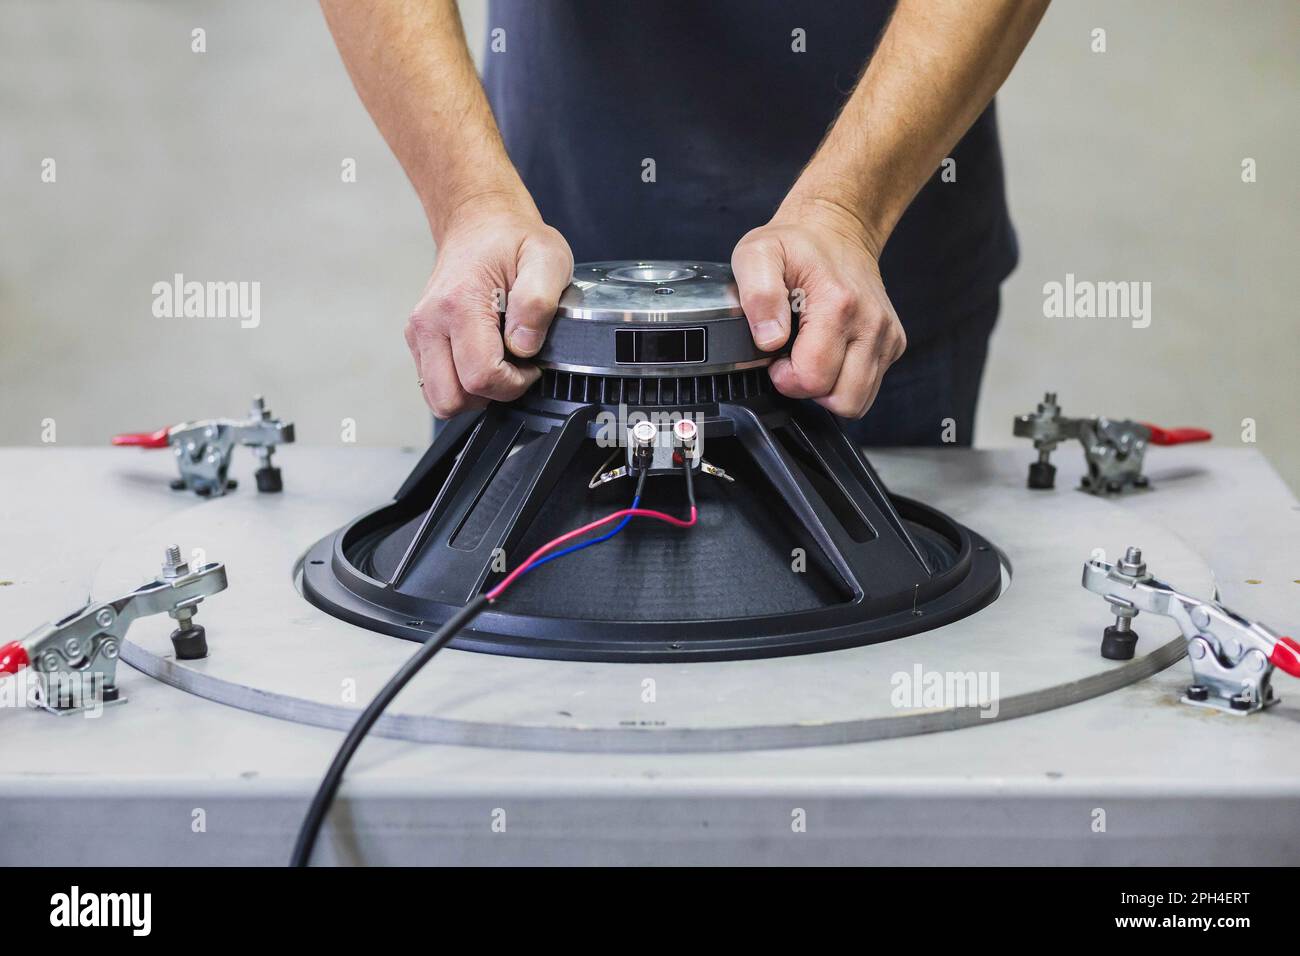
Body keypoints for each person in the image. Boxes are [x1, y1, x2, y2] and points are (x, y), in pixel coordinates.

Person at [320, 0, 1048, 444]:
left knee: (884, 653)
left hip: (865, 291)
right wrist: (468, 201)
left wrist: (848, 212)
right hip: (533, 306)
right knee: (512, 651)